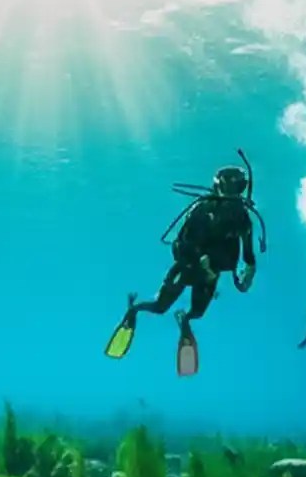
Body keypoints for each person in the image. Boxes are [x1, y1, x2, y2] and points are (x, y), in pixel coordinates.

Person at [105, 160, 262, 376]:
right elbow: (181, 245)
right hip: (186, 269)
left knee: (196, 313)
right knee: (160, 307)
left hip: (210, 275)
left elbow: (248, 255)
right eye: (229, 187)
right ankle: (134, 310)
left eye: (237, 188)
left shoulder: (243, 219)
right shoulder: (202, 210)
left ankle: (183, 319)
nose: (232, 194)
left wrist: (248, 275)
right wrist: (201, 261)